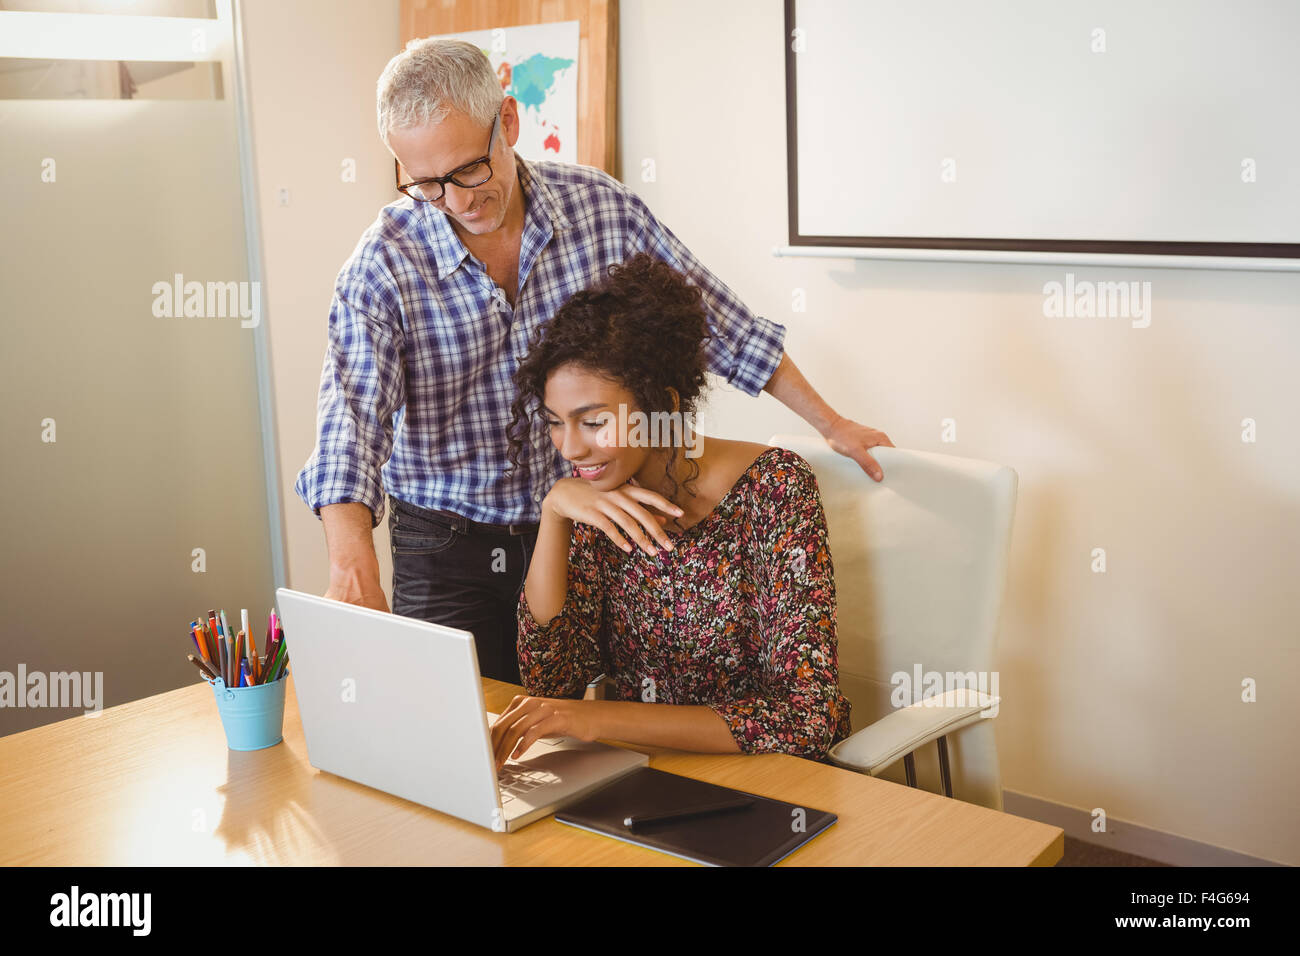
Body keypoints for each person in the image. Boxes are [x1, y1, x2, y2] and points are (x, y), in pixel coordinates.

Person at [294, 37, 893, 684]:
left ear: (509, 123)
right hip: (446, 546)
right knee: (453, 734)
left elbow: (718, 324)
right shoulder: (382, 263)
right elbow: (349, 427)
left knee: (568, 738)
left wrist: (829, 422)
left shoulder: (600, 209)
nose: (458, 201)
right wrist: (351, 561)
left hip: (587, 523)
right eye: (427, 185)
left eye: (468, 169)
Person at [489, 253, 852, 767]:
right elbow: (552, 678)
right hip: (642, 769)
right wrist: (554, 514)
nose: (569, 448)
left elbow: (805, 718)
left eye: (593, 423)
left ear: (662, 407)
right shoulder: (600, 491)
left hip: (770, 781)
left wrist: (595, 719)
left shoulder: (775, 487)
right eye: (555, 422)